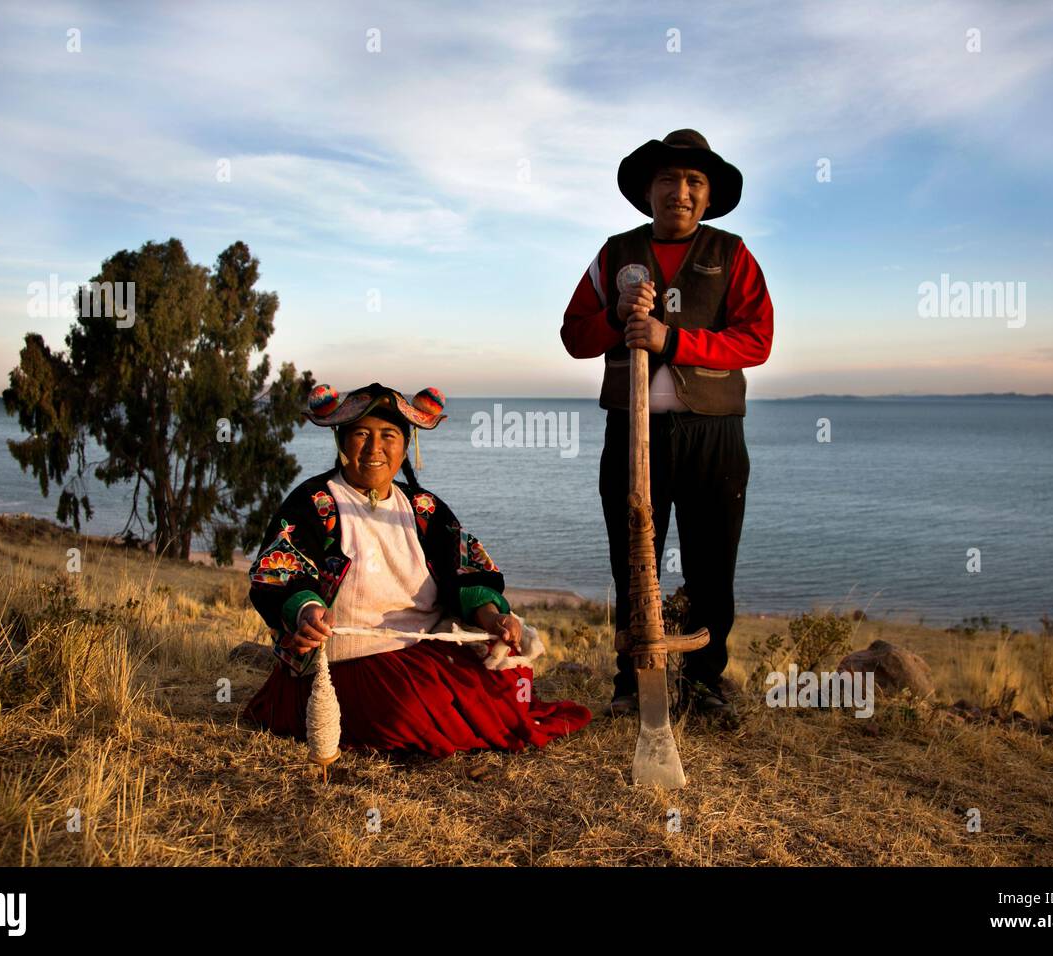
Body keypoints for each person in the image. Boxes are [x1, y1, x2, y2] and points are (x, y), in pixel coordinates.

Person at [242, 381, 591, 757]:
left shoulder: (424, 508)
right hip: (348, 657)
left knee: (512, 678)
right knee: (407, 709)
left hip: (421, 647)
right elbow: (280, 571)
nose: (375, 449)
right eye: (361, 434)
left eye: (388, 436)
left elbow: (464, 570)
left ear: (406, 446)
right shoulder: (313, 502)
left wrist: (492, 617)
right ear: (342, 442)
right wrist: (307, 611)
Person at [559, 129, 774, 721]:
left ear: (707, 197)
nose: (680, 191)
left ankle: (704, 685)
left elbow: (757, 340)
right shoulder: (615, 252)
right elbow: (574, 335)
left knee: (712, 563)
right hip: (631, 432)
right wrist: (615, 316)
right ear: (649, 191)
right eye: (669, 180)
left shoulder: (732, 255)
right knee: (632, 560)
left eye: (694, 182)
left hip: (712, 436)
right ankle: (632, 684)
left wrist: (670, 338)